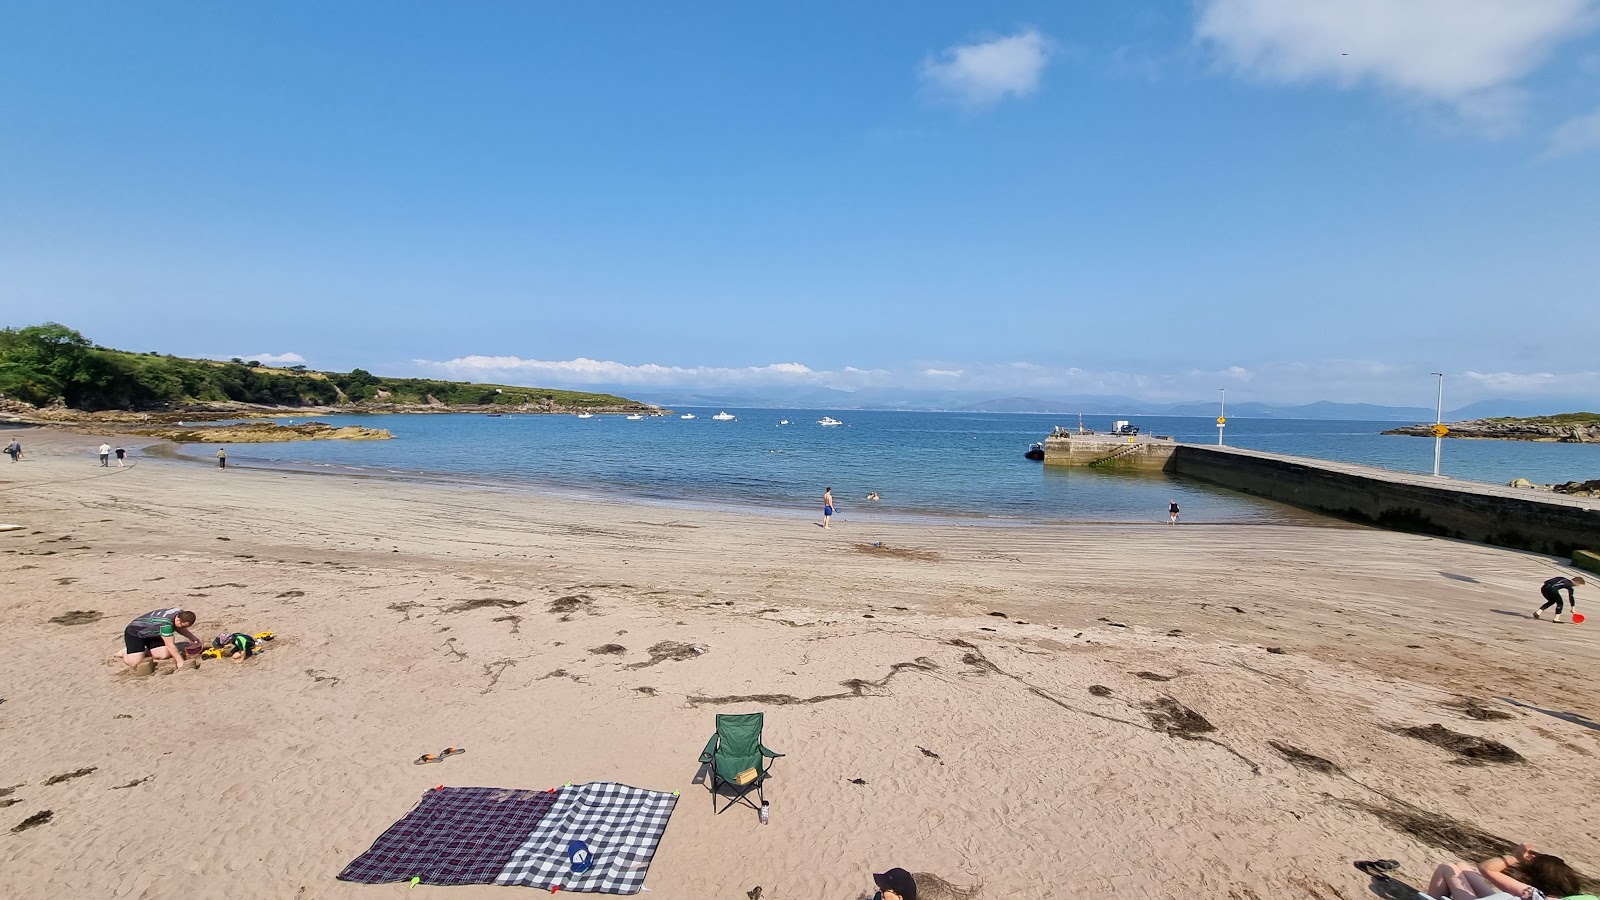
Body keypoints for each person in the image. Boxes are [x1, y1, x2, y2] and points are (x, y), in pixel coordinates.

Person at [1423, 842, 1592, 899]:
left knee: (1447, 868)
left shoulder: (1533, 895)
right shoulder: (1585, 897)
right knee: (1462, 867)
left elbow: (1486, 868)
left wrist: (1516, 857)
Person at [122, 608, 200, 672]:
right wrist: (180, 662)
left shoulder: (181, 614)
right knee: (135, 661)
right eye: (183, 625)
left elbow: (180, 628)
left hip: (153, 633)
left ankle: (143, 650)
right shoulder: (166, 624)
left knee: (163, 655)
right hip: (135, 632)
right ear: (178, 620)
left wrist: (193, 638)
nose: (182, 628)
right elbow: (170, 645)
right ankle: (125, 651)